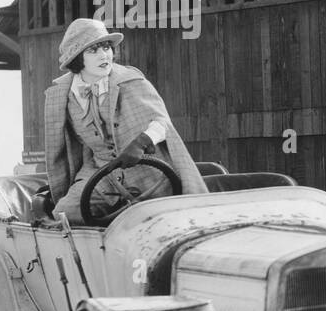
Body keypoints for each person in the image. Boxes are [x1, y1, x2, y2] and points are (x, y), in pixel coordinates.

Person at [44, 17, 207, 223]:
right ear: (77, 58)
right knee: (66, 215)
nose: (104, 55)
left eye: (106, 47)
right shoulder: (61, 96)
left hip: (148, 173)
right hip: (100, 173)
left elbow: (162, 122)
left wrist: (141, 142)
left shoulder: (130, 81)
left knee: (164, 222)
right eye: (93, 50)